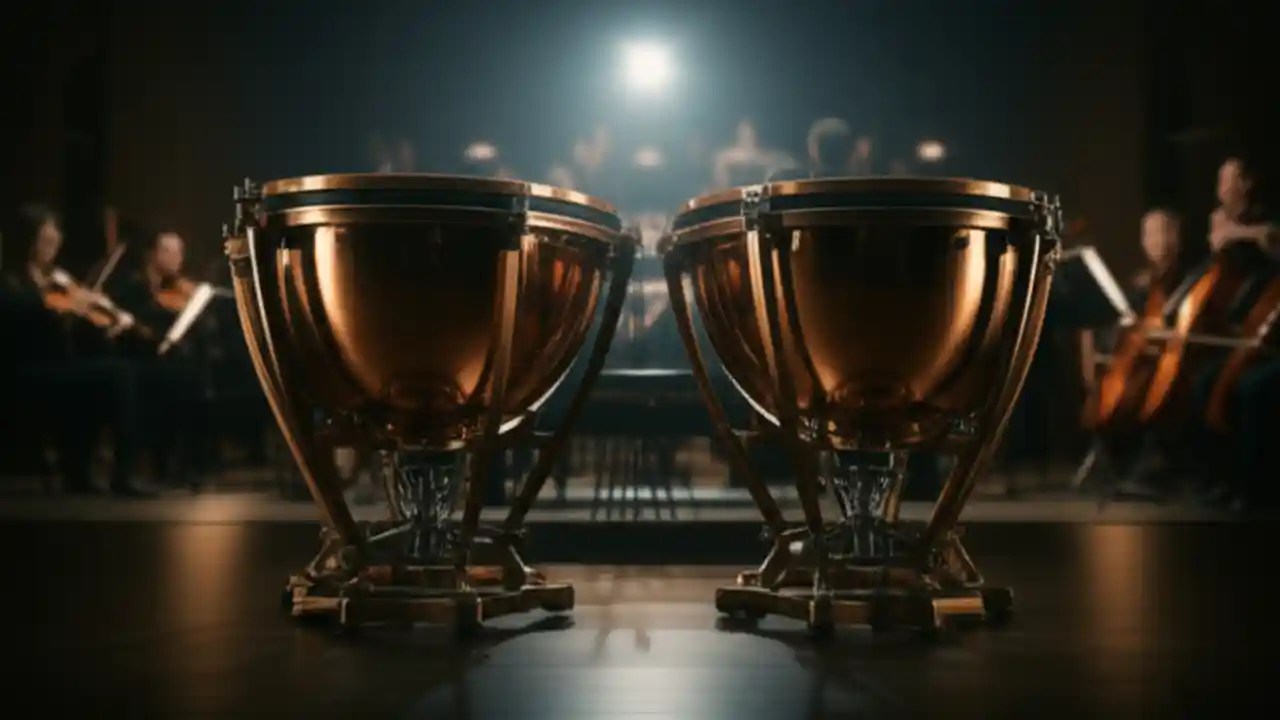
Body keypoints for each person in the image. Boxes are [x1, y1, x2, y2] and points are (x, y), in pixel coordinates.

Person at [0, 204, 147, 496]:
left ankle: (79, 470)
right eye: (45, 242)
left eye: (54, 242)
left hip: (57, 365)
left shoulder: (58, 279)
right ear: (27, 241)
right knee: (117, 374)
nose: (51, 249)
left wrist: (106, 314)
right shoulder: (11, 278)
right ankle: (121, 474)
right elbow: (17, 310)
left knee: (109, 368)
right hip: (24, 370)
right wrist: (58, 304)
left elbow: (72, 318)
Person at [114, 230, 214, 490]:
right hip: (142, 362)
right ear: (152, 254)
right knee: (188, 383)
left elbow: (203, 327)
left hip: (171, 364)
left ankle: (190, 466)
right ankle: (168, 465)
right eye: (168, 251)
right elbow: (136, 327)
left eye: (179, 252)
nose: (176, 258)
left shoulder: (182, 289)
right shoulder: (135, 286)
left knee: (196, 382)